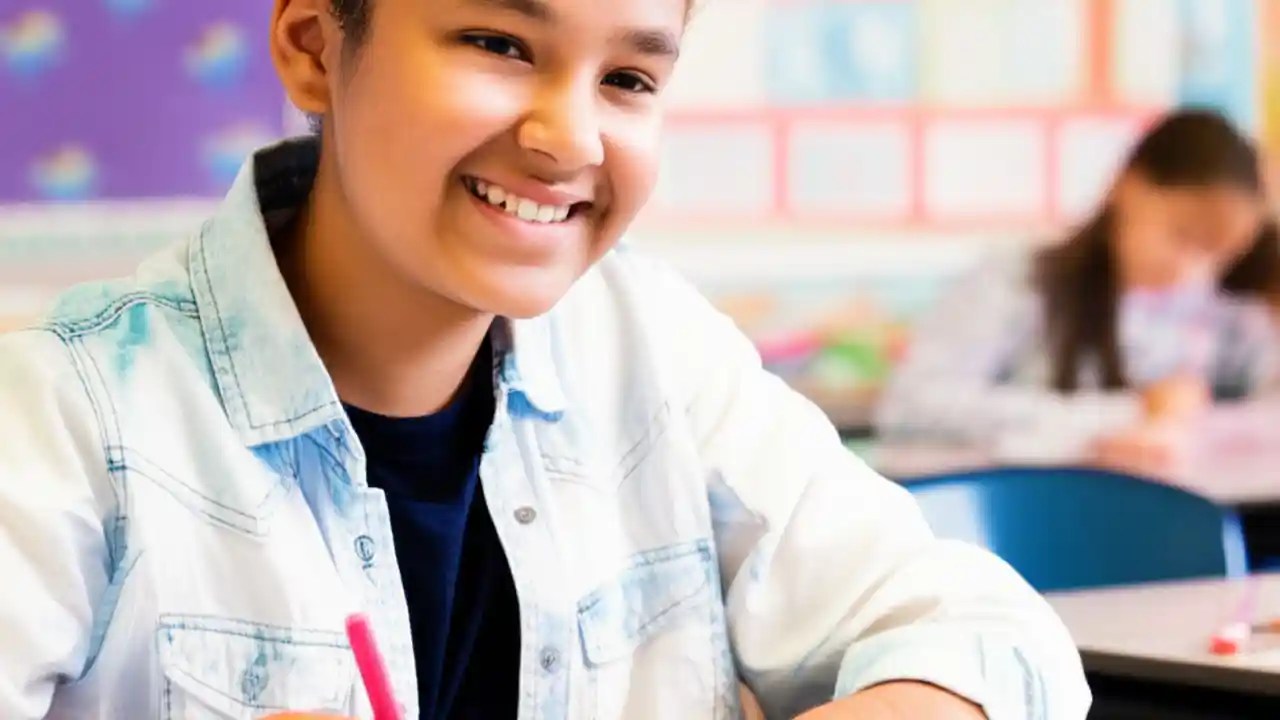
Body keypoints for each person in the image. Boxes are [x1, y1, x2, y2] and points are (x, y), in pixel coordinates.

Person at [0, 0, 1088, 718]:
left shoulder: (656, 353)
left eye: (627, 80)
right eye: (499, 43)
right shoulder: (68, 415)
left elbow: (987, 635)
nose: (569, 139)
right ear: (314, 45)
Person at [877, 110, 1280, 477]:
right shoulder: (1017, 282)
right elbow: (911, 406)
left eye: (1218, 255)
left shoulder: (1225, 313)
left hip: (1169, 518)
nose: (1189, 269)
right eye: (1181, 235)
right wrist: (1127, 412)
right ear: (1129, 187)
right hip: (1024, 516)